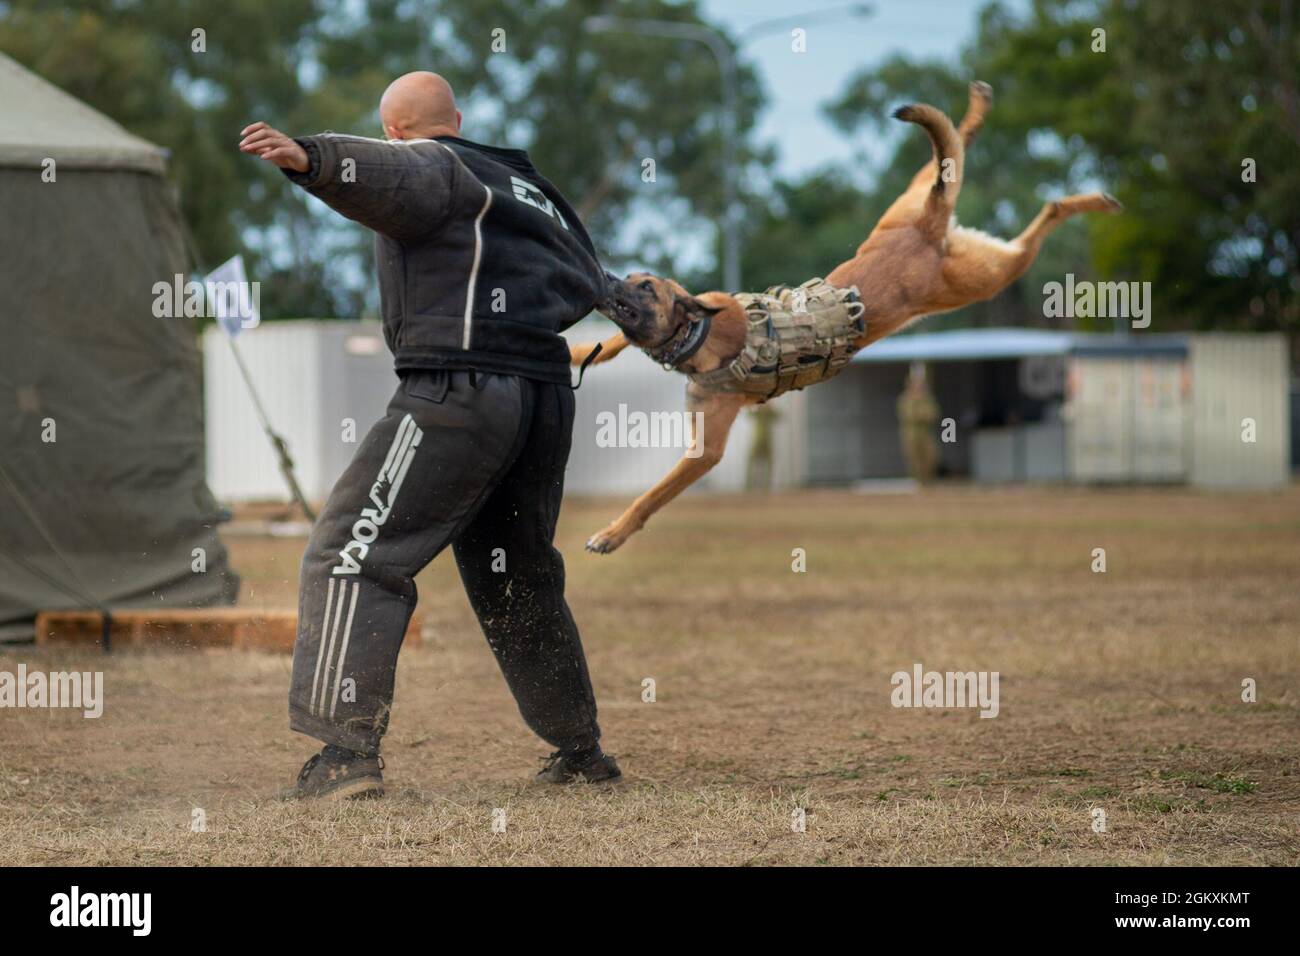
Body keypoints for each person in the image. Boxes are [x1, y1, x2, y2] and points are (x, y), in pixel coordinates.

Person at [239, 71, 619, 800]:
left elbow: (397, 179)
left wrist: (309, 159)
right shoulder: (527, 185)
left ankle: (344, 759)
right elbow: (587, 284)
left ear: (394, 130)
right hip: (542, 397)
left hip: (457, 391)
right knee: (517, 573)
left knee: (352, 551)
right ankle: (580, 753)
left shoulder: (435, 166)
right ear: (461, 116)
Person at [897, 363, 940, 484]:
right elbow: (909, 415)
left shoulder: (927, 398)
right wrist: (921, 413)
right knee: (915, 461)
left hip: (926, 434)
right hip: (911, 434)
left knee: (931, 458)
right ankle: (918, 483)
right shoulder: (905, 399)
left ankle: (929, 482)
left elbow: (933, 414)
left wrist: (922, 414)